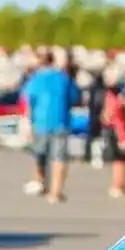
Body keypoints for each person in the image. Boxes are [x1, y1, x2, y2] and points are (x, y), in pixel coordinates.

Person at [20, 52, 80, 203]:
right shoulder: (63, 78)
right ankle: (56, 192)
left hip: (40, 122)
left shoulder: (36, 79)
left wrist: (28, 121)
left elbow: (28, 100)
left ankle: (40, 180)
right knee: (59, 157)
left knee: (39, 153)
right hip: (61, 120)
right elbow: (74, 98)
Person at [100, 75, 125, 199]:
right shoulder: (115, 98)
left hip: (114, 129)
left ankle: (118, 185)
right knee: (119, 159)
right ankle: (118, 185)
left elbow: (107, 116)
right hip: (117, 130)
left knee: (118, 160)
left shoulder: (109, 96)